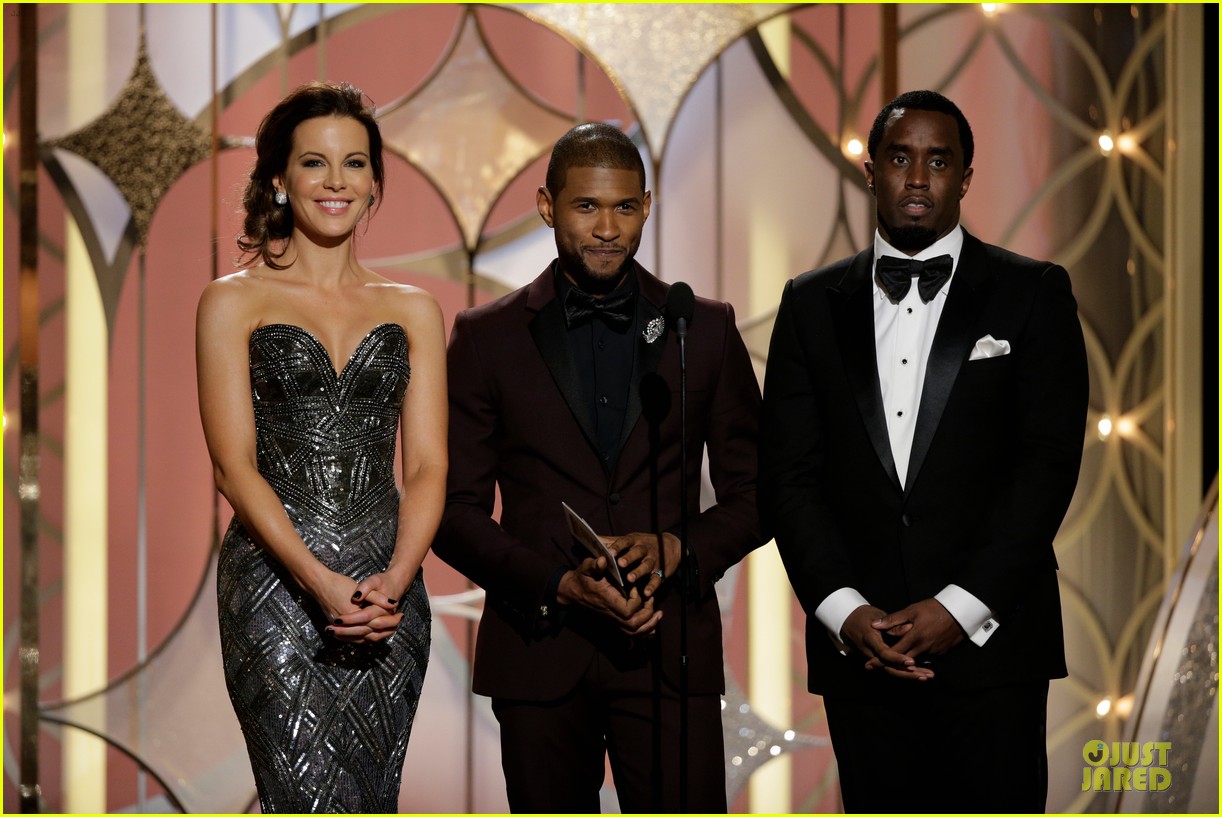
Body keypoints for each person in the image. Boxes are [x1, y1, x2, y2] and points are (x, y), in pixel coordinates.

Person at [759, 90, 1088, 812]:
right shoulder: (809, 303)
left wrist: (958, 607)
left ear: (965, 177)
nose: (916, 178)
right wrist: (845, 610)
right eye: (899, 158)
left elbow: (1047, 466)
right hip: (863, 653)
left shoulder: (1032, 292)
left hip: (994, 650)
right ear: (870, 170)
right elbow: (788, 474)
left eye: (938, 162)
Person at [433, 122, 764, 812]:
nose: (608, 229)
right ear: (546, 206)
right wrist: (556, 583)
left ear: (646, 206)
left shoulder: (704, 329)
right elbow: (452, 510)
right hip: (539, 647)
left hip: (669, 646)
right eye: (586, 206)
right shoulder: (486, 337)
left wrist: (677, 548)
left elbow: (760, 491)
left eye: (624, 207)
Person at [196, 81, 447, 812]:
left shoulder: (414, 309)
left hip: (387, 593)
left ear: (374, 182)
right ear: (279, 178)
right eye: (315, 162)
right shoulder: (231, 300)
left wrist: (395, 580)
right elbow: (232, 467)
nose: (336, 181)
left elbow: (428, 465)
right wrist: (317, 580)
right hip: (276, 589)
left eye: (354, 163)